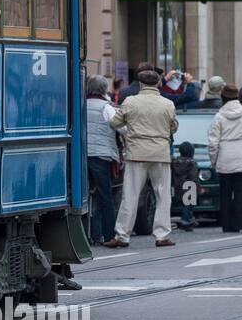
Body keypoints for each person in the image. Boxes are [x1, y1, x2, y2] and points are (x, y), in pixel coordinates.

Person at [104, 69, 178, 248]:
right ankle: (162, 235)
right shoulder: (167, 103)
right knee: (163, 195)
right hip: (160, 153)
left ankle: (122, 236)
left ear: (141, 84)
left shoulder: (131, 101)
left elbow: (115, 123)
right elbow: (173, 127)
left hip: (137, 152)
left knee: (130, 195)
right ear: (158, 83)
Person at [208, 84, 242, 233]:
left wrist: (213, 160)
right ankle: (238, 223)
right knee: (240, 191)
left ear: (223, 97)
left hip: (225, 157)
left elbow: (213, 142)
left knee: (225, 192)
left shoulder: (219, 116)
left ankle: (227, 223)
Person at [85, 75, 121, 247]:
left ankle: (87, 233)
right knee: (104, 196)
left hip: (83, 156)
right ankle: (108, 235)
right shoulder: (107, 108)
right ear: (103, 89)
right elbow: (122, 128)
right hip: (101, 156)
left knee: (83, 196)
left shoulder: (80, 106)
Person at [171, 141, 198, 231]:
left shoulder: (175, 162)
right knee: (189, 204)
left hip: (178, 186)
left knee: (184, 204)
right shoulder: (192, 163)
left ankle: (189, 219)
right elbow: (193, 176)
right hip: (189, 186)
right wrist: (197, 186)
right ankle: (186, 220)